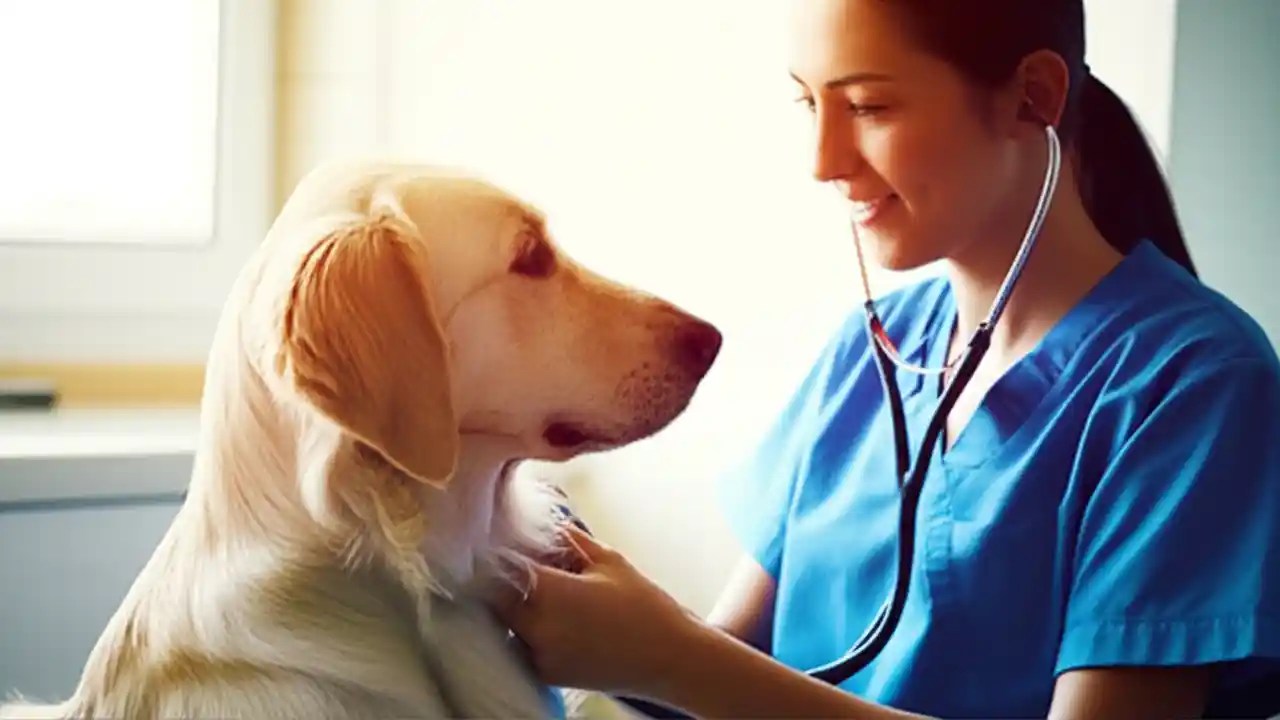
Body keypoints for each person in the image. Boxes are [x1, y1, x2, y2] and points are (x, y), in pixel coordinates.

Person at [497, 0, 1280, 717]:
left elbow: (697, 670)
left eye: (868, 106)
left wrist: (668, 657)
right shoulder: (871, 352)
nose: (822, 160)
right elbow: (718, 672)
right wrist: (554, 589)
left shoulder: (1195, 384)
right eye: (809, 103)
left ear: (1033, 97)